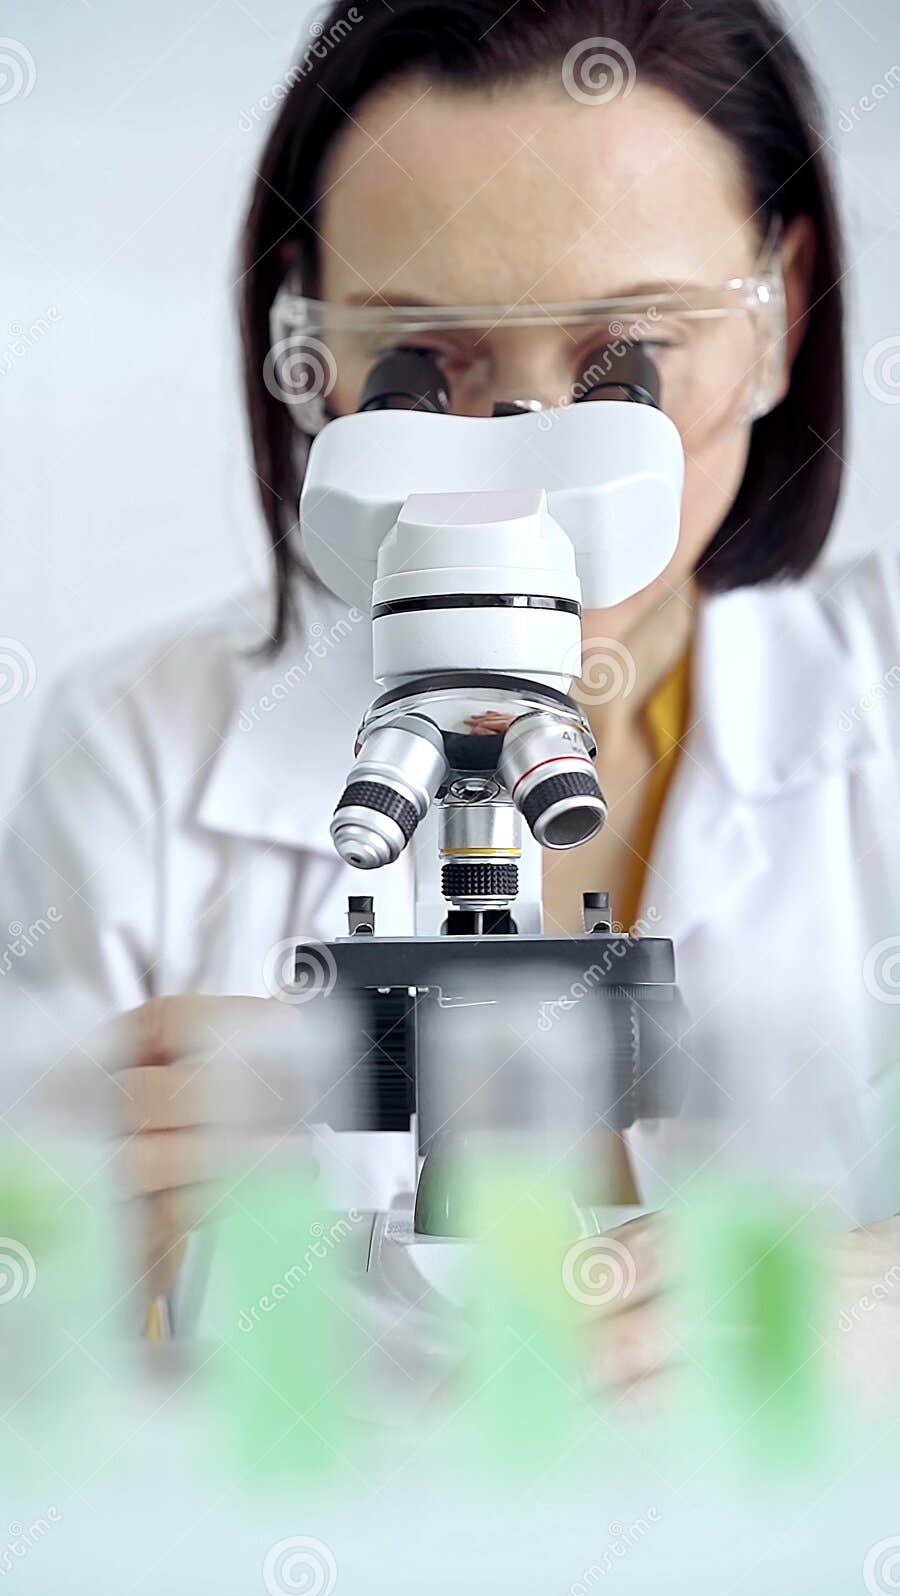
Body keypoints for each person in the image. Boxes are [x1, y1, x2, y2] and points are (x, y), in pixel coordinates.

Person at [4, 0, 900, 1381]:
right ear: (312, 349)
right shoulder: (133, 750)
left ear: (778, 317)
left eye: (629, 360)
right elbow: (44, 1358)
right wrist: (77, 1240)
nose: (528, 460)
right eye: (429, 363)